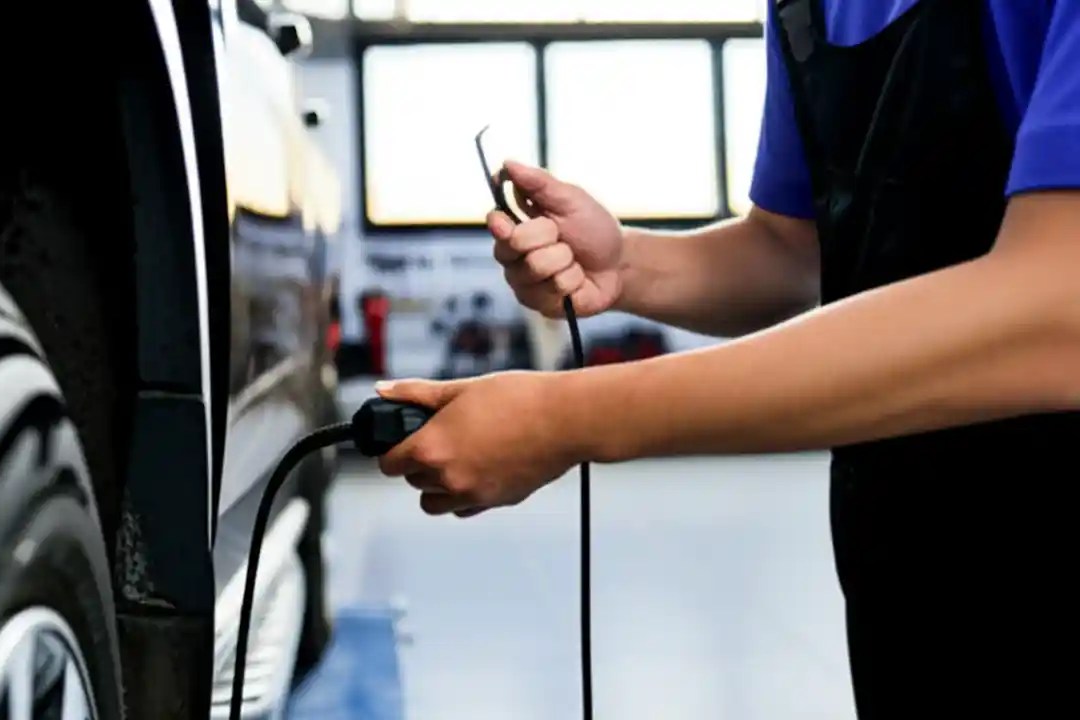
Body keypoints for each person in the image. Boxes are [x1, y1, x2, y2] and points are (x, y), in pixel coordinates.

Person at [374, 0, 1080, 716]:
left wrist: (566, 418)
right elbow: (794, 245)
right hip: (911, 568)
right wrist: (628, 267)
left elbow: (1060, 305)